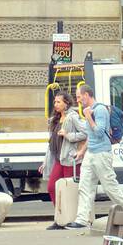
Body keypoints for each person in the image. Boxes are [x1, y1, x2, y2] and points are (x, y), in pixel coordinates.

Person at [65, 83, 123, 230]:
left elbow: (99, 132)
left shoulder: (100, 110)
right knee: (84, 186)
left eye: (79, 97)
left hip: (102, 154)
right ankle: (82, 219)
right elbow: (91, 135)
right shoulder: (89, 110)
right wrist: (82, 152)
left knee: (110, 188)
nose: (77, 100)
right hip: (91, 154)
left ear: (86, 95)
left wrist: (89, 117)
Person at [44, 91, 87, 229]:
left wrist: (68, 135)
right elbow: (51, 142)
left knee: (71, 191)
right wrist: (45, 162)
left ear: (66, 103)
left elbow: (85, 133)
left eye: (58, 102)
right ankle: (60, 218)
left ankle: (73, 219)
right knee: (52, 187)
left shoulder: (72, 117)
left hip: (70, 159)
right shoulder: (54, 119)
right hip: (58, 158)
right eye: (55, 102)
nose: (55, 104)